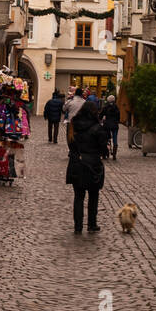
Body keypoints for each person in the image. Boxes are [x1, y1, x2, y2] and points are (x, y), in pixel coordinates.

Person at [66, 100, 109, 233]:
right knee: (93, 195)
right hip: (92, 165)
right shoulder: (97, 128)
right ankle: (91, 224)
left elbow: (71, 144)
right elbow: (103, 148)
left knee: (78, 196)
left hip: (76, 163)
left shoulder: (73, 125)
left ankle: (78, 226)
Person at [102, 93, 121, 160]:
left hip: (107, 125)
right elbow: (119, 118)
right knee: (115, 140)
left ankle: (105, 153)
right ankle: (114, 155)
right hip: (115, 125)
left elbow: (101, 115)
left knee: (106, 139)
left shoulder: (105, 107)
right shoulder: (116, 107)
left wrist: (102, 119)